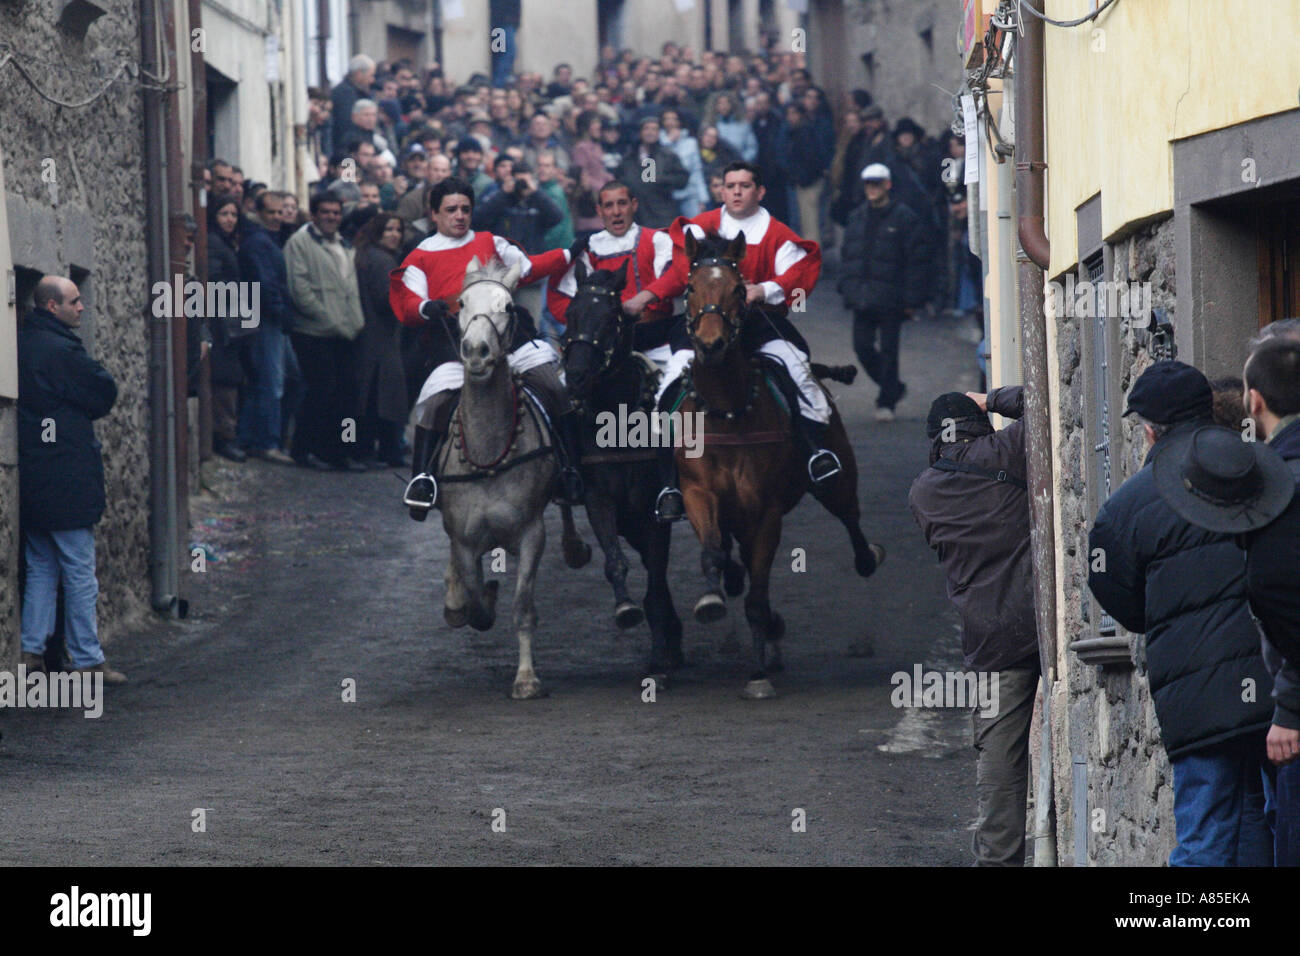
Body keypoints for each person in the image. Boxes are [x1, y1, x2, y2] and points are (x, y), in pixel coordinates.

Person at [1088, 360, 1276, 866]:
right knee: (1260, 819)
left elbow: (1120, 600)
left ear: (1150, 430)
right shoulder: (1265, 470)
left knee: (1205, 830)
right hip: (1274, 681)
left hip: (1196, 696)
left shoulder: (1127, 505)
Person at [623, 161, 833, 521]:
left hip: (759, 323)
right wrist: (645, 298)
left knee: (796, 371)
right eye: (730, 185)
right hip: (705, 326)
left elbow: (796, 276)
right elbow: (679, 275)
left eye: (745, 185)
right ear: (721, 190)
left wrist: (763, 289)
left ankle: (816, 451)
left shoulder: (776, 233)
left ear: (760, 191)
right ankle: (669, 482)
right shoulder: (701, 228)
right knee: (670, 382)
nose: (736, 192)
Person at [388, 177, 580, 519]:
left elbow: (529, 268)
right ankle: (423, 480)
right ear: (434, 214)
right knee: (435, 404)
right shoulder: (420, 256)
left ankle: (570, 471)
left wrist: (569, 252)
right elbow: (407, 303)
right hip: (455, 345)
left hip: (508, 336)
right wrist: (425, 308)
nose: (459, 216)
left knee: (553, 386)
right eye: (451, 210)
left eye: (465, 209)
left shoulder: (491, 241)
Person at [908, 387, 1037, 865]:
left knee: (999, 759)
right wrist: (994, 398)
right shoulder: (1011, 447)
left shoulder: (923, 493)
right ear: (980, 425)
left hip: (991, 637)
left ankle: (999, 859)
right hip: (1050, 619)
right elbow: (1050, 402)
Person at [18, 276, 126, 683]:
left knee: (42, 566)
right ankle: (87, 659)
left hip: (35, 473)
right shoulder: (62, 350)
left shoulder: (25, 346)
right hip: (66, 475)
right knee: (79, 571)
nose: (81, 307)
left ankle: (31, 652)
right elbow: (103, 390)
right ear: (52, 307)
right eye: (74, 301)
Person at [547, 180, 677, 366]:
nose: (616, 212)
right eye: (609, 205)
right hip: (603, 346)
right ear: (599, 211)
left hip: (657, 342)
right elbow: (561, 299)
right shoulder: (588, 249)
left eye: (622, 203)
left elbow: (676, 278)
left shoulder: (657, 240)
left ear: (634, 205)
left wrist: (642, 300)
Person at [284, 193, 367, 470]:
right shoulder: (299, 243)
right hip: (314, 332)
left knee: (347, 396)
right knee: (320, 393)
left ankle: (342, 451)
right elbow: (300, 290)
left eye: (336, 212)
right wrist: (329, 319)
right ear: (315, 214)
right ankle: (306, 449)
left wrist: (354, 323)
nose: (331, 217)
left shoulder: (343, 243)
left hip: (346, 332)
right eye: (326, 212)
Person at [839, 163, 928, 422]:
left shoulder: (904, 218)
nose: (872, 189)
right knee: (862, 347)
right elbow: (849, 255)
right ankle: (893, 387)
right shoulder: (857, 217)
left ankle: (886, 400)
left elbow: (917, 260)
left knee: (890, 351)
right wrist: (846, 286)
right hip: (862, 296)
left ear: (887, 185)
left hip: (892, 297)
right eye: (868, 184)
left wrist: (912, 299)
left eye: (876, 183)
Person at [236, 190, 295, 463]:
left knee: (276, 379)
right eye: (270, 212)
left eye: (279, 212)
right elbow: (265, 284)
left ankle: (258, 438)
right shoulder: (259, 242)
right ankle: (266, 441)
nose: (276, 217)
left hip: (270, 317)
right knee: (271, 381)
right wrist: (280, 312)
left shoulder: (266, 239)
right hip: (266, 319)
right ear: (259, 213)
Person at [353, 211, 410, 467]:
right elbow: (386, 300)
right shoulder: (381, 260)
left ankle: (378, 449)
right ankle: (380, 450)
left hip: (374, 335)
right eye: (389, 230)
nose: (394, 235)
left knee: (374, 396)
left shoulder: (371, 255)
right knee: (380, 397)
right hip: (379, 337)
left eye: (397, 230)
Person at [473, 158, 565, 255]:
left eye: (525, 181)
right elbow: (478, 219)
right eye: (519, 181)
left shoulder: (538, 200)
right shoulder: (502, 199)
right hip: (505, 257)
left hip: (532, 257)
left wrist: (535, 192)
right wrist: (504, 193)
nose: (522, 185)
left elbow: (557, 217)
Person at [616, 117, 690, 229]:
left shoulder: (668, 155)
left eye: (654, 129)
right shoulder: (629, 157)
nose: (650, 132)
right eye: (646, 129)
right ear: (640, 132)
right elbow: (620, 180)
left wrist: (661, 180)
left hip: (662, 214)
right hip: (637, 216)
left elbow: (682, 179)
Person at [331, 55, 376, 152]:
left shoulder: (356, 92)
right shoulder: (345, 94)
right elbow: (345, 126)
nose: (372, 80)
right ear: (359, 73)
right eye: (371, 75)